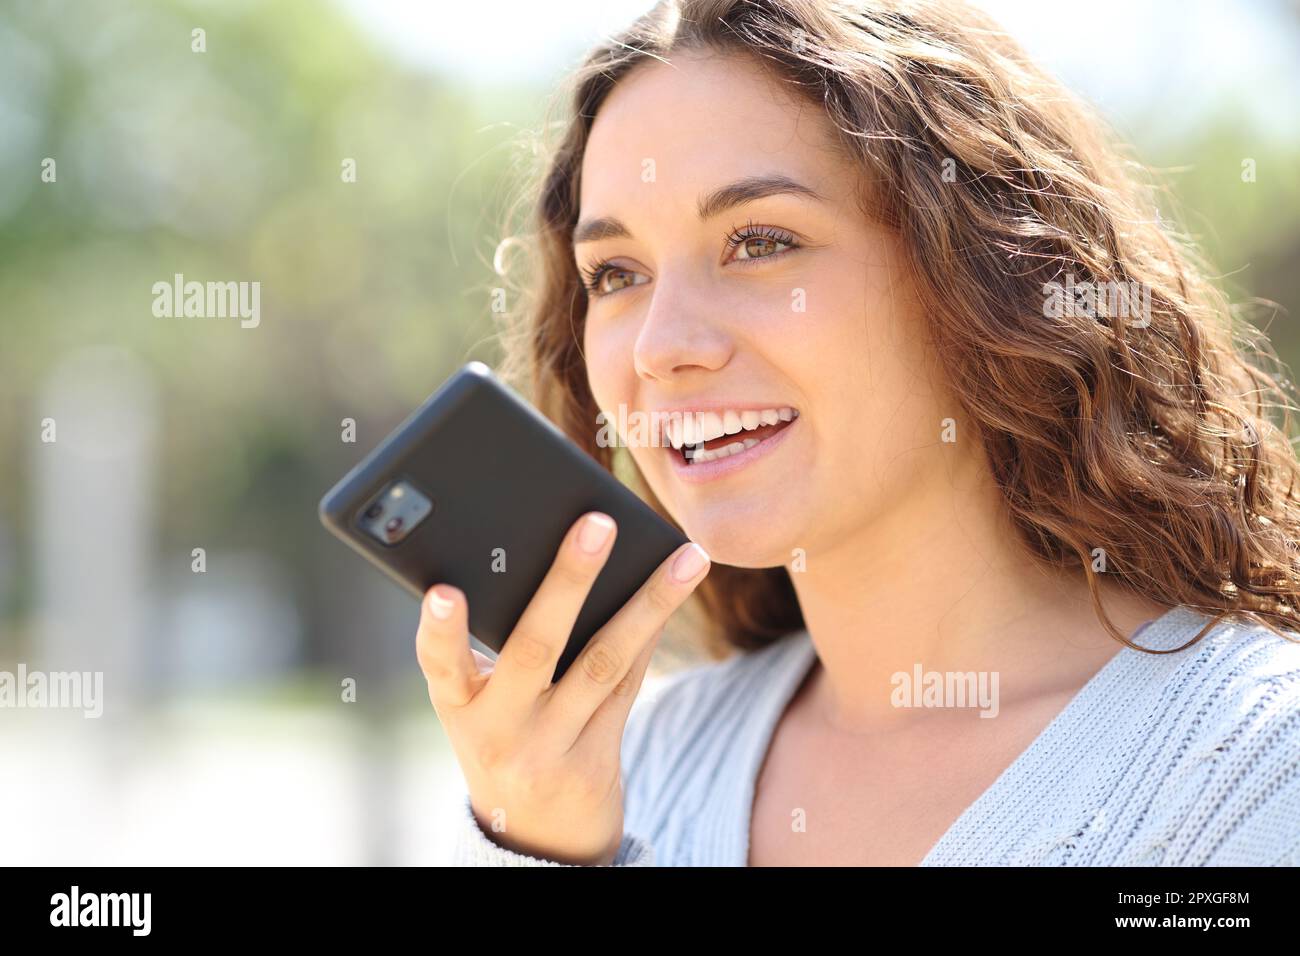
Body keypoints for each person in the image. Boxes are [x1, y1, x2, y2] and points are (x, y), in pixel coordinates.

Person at [418, 0, 1300, 866]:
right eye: (615, 273)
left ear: (981, 272)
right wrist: (546, 851)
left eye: (759, 242)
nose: (661, 347)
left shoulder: (1254, 771)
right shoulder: (617, 770)